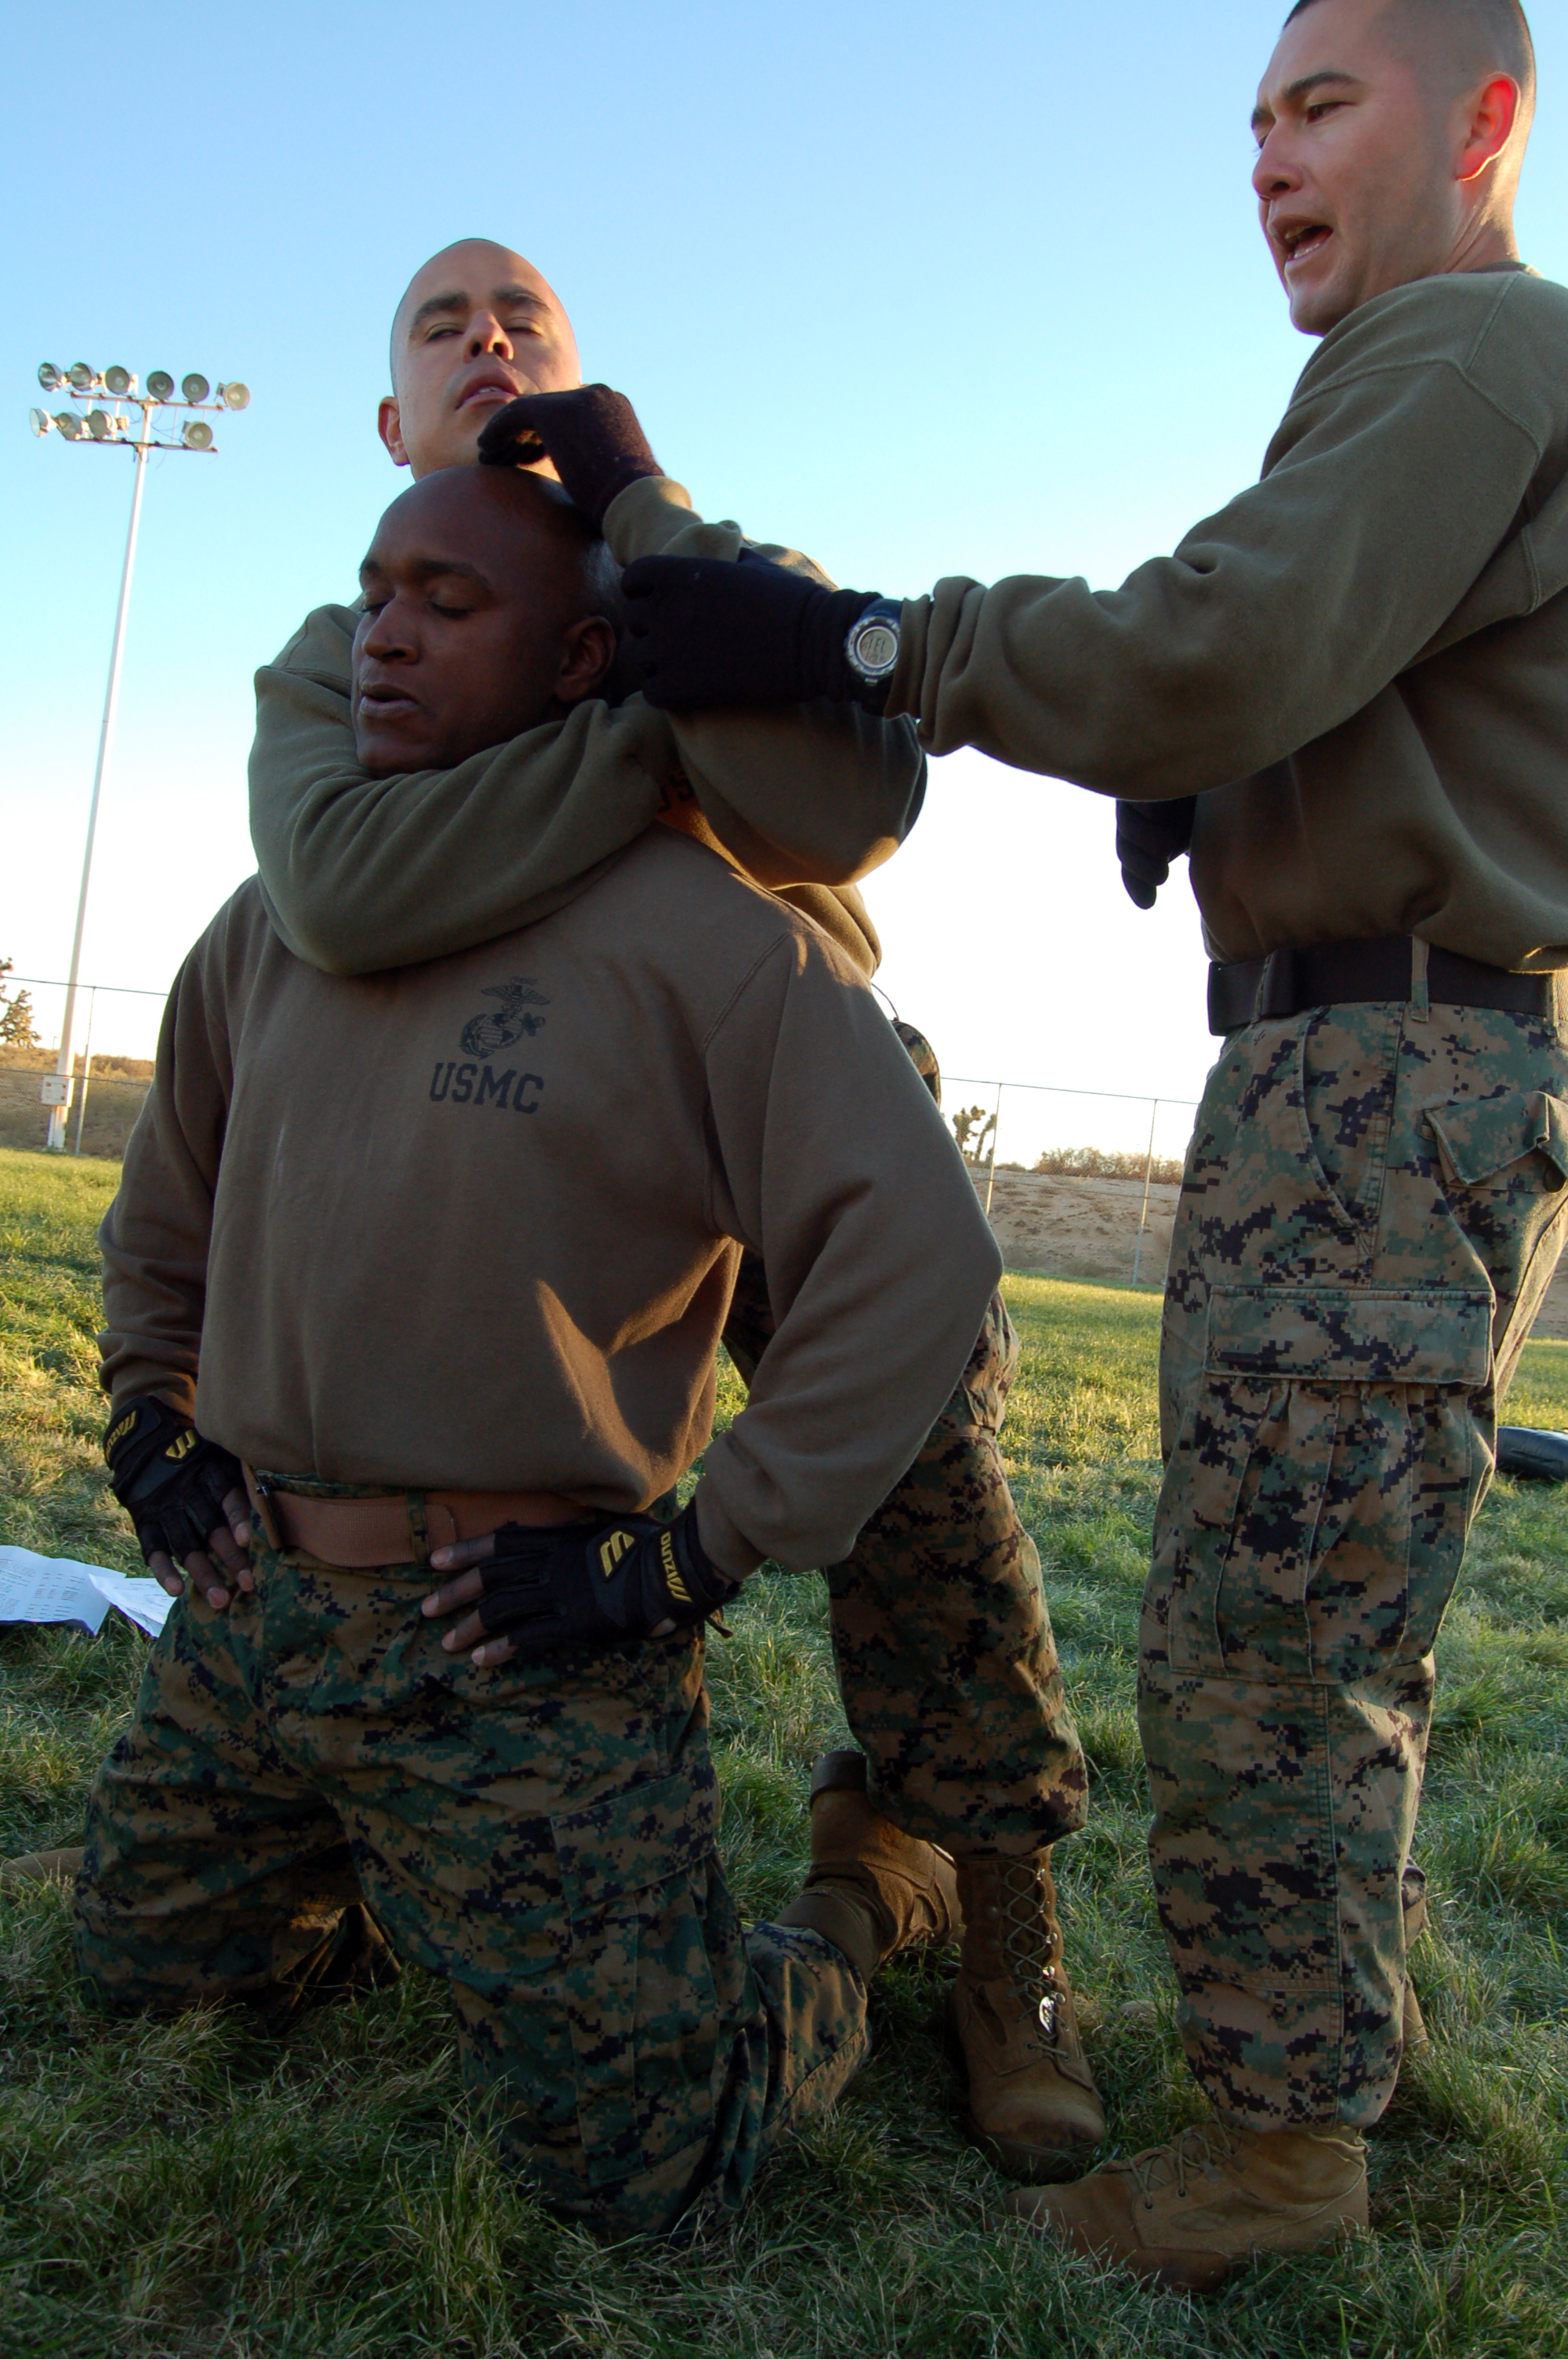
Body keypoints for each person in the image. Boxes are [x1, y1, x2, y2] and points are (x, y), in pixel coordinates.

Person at [609, 0, 1568, 2288]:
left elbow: (1212, 644)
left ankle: (1273, 2159)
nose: (1269, 157)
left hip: (1385, 1081)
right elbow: (1294, 687)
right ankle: (1326, 2054)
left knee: (1261, 1642)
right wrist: (1232, 790)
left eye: (1323, 103)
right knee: (1327, 1616)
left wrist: (865, 640)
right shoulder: (1411, 373)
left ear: (1489, 119)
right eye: (1253, 119)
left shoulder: (1469, 347)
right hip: (1369, 1072)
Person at [241, 238, 1103, 2179]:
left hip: (758, 1070)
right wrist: (651, 731)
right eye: (442, 326)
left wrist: (653, 545)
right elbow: (344, 885)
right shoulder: (343, 647)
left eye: (523, 318)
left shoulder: (698, 573)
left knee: (925, 1481)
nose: (487, 338)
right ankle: (334, 1814)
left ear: (585, 388)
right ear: (390, 425)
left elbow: (850, 794)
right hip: (523, 1094)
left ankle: (992, 1916)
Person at [73, 461, 1005, 2238]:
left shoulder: (710, 940)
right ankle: (376, 1865)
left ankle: (857, 1904)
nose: (383, 635)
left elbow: (921, 1254)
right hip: (258, 1617)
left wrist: (692, 1555)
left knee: (648, 2176)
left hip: (513, 1640)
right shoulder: (276, 916)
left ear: (583, 657)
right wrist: (147, 1414)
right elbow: (166, 1197)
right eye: (371, 591)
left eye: (445, 597)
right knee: (144, 1981)